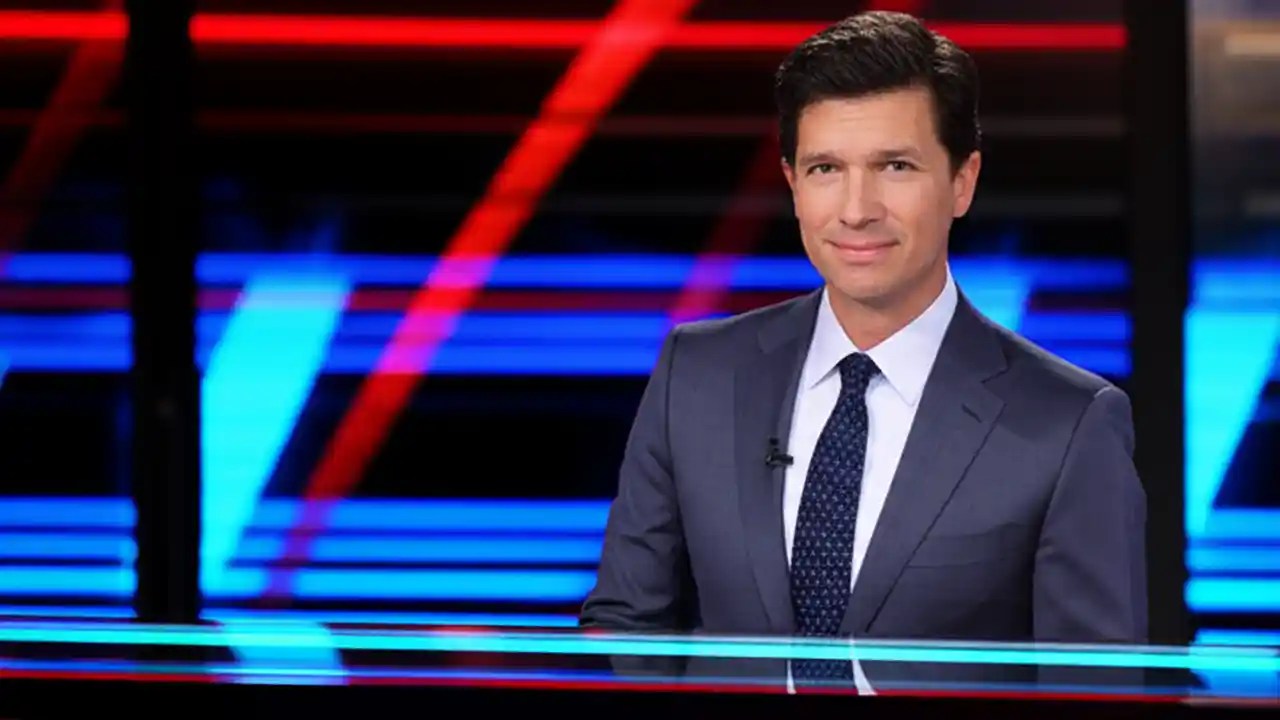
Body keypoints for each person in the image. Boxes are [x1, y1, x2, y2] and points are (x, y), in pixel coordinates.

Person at [579, 10, 1147, 683]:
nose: (856, 209)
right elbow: (626, 629)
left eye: (895, 166)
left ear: (962, 181)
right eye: (825, 168)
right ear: (792, 184)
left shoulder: (1069, 423)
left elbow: (1092, 690)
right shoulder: (696, 375)